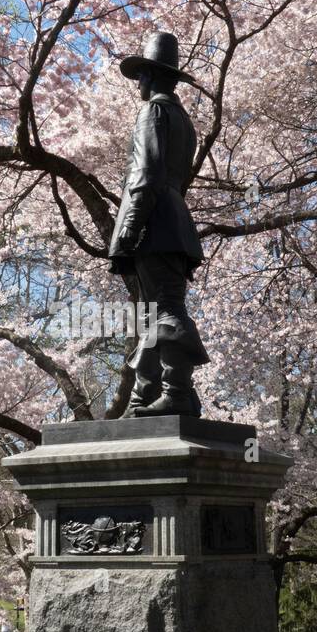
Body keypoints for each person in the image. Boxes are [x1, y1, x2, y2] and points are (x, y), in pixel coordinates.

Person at [109, 31, 208, 417]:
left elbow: (147, 173)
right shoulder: (182, 119)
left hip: (156, 223)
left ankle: (178, 394)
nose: (138, 84)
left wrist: (130, 229)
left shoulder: (153, 111)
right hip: (174, 220)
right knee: (151, 314)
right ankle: (145, 397)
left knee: (166, 310)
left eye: (141, 77)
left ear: (151, 77)